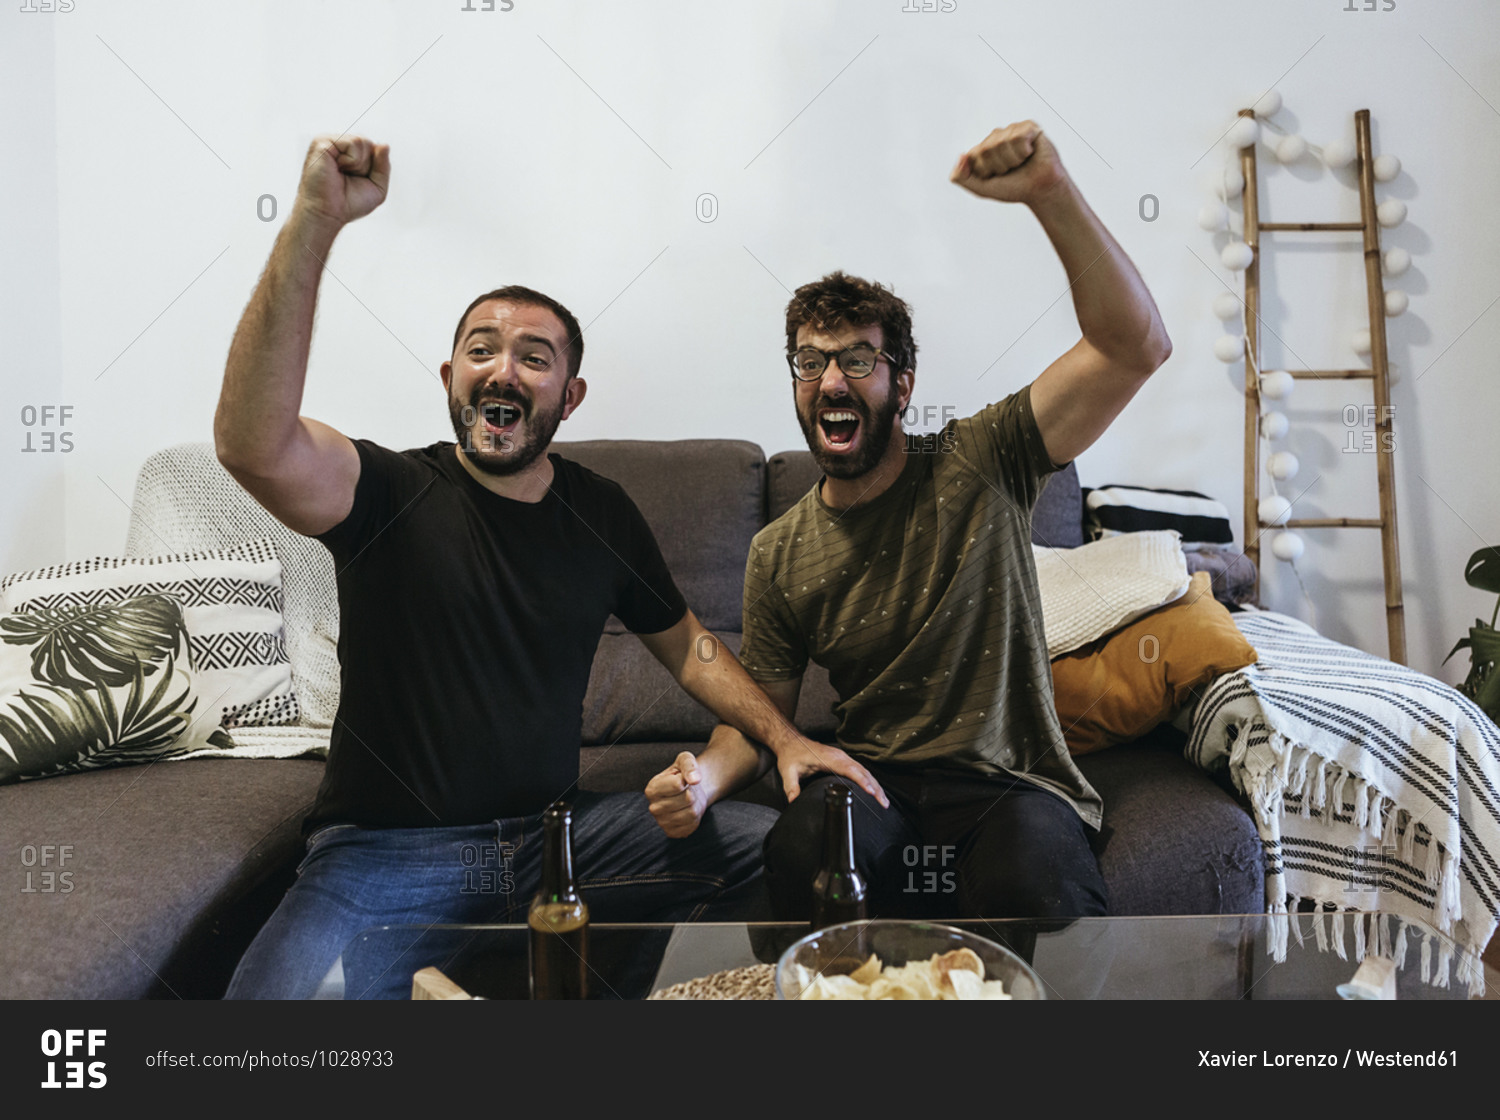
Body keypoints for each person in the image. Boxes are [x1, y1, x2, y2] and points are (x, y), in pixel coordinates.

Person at [215, 135, 853, 999]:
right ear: (451, 377)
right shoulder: (385, 487)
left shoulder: (602, 512)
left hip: (560, 839)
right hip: (385, 854)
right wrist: (316, 224)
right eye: (481, 349)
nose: (502, 368)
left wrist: (783, 737)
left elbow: (692, 650)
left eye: (533, 356)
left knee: (781, 853)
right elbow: (254, 445)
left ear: (569, 395)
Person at [645, 120, 1172, 924]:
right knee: (803, 855)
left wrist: (1049, 192)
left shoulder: (982, 457)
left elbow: (1134, 346)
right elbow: (761, 721)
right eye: (811, 361)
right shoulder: (778, 554)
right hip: (872, 783)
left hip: (1008, 785)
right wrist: (702, 781)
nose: (831, 380)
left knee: (1034, 889)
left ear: (902, 382)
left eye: (858, 360)